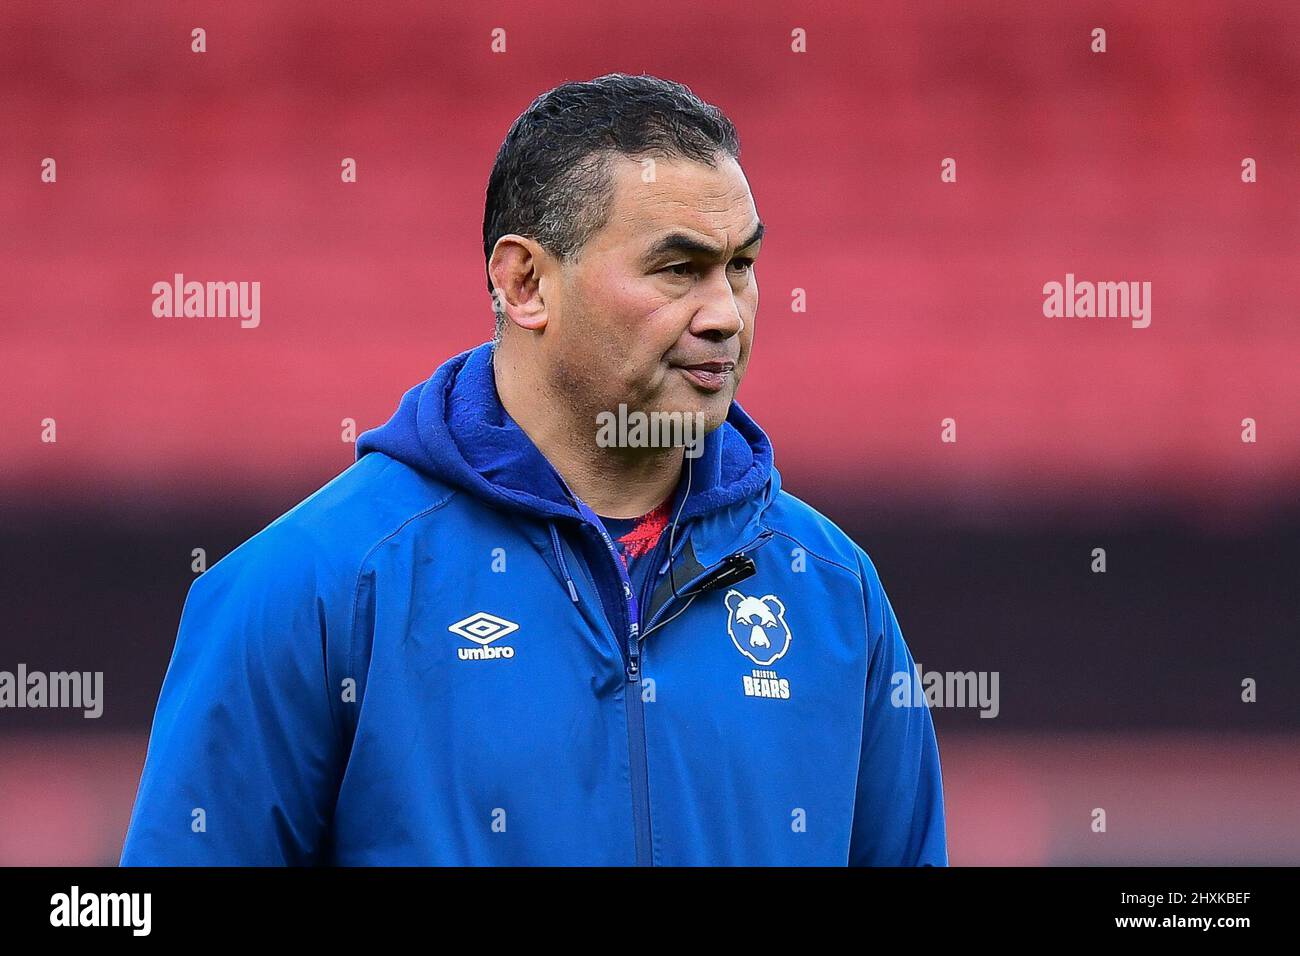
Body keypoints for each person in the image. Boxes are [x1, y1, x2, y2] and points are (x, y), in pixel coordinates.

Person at [120, 73, 947, 866]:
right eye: (678, 269)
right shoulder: (312, 587)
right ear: (525, 283)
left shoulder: (836, 593)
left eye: (741, 266)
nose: (725, 315)